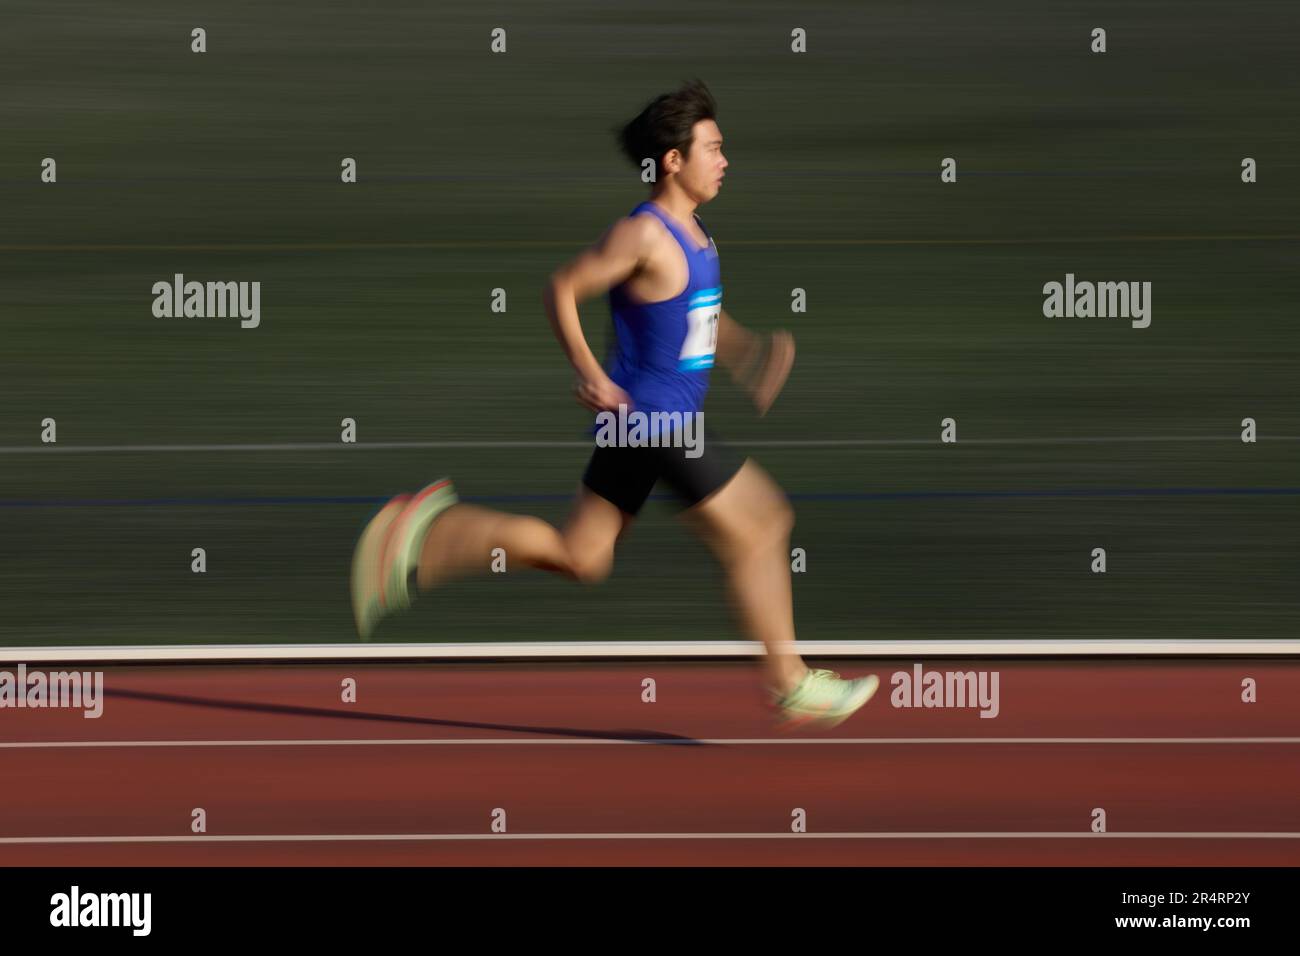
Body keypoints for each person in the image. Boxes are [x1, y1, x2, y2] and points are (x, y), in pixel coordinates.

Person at [351, 79, 879, 729]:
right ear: (674, 161)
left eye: (724, 148)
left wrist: (746, 353)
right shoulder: (645, 235)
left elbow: (694, 316)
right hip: (657, 424)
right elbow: (562, 288)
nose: (725, 160)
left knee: (583, 556)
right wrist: (592, 374)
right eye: (712, 148)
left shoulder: (696, 233)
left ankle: (424, 535)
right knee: (765, 523)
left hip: (642, 426)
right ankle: (789, 681)